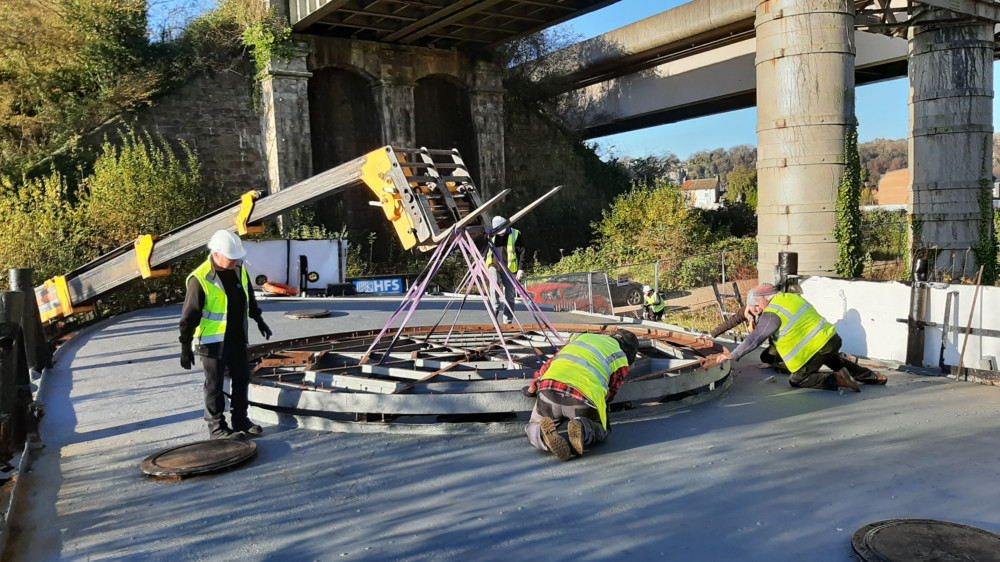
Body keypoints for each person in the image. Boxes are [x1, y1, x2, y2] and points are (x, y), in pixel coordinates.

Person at [179, 230, 273, 439]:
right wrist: (185, 345)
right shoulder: (200, 279)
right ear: (217, 254)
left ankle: (240, 420)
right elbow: (189, 316)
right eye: (232, 257)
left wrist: (258, 319)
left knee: (241, 379)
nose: (236, 260)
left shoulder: (239, 270)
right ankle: (217, 428)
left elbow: (248, 298)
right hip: (212, 343)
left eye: (237, 257)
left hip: (237, 337)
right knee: (214, 385)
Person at [713, 283, 886, 391]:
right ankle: (873, 377)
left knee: (798, 379)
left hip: (814, 349)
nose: (757, 307)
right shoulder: (791, 298)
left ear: (764, 299)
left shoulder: (773, 312)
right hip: (831, 339)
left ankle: (837, 379)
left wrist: (732, 355)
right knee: (835, 361)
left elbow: (756, 338)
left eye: (757, 303)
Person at [523, 329, 639, 461]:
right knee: (603, 429)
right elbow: (611, 392)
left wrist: (531, 389)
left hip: (549, 392)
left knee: (535, 423)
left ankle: (542, 436)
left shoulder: (580, 338)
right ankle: (583, 426)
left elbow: (548, 366)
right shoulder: (620, 357)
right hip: (583, 400)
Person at [484, 215, 524, 324]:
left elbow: (522, 252)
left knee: (510, 297)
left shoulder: (515, 234)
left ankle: (507, 321)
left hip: (509, 269)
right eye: (499, 232)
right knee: (494, 283)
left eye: (502, 231)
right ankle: (495, 307)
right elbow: (483, 249)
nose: (501, 234)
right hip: (494, 265)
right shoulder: (490, 234)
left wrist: (521, 269)